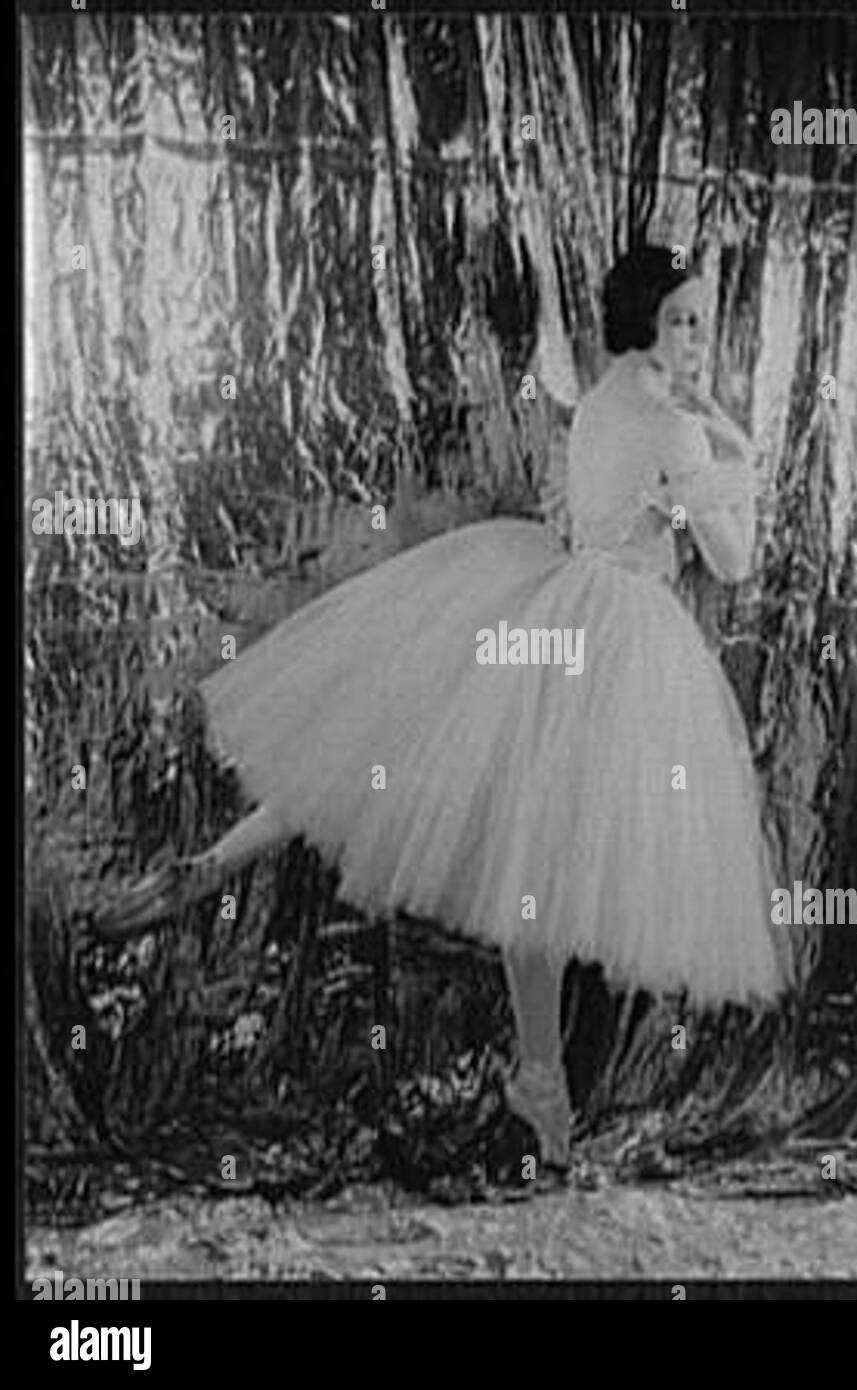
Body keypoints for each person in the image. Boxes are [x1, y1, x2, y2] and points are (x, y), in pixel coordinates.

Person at [95, 246, 792, 1170]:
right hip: (617, 630)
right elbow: (735, 563)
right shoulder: (673, 424)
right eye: (684, 321)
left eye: (703, 319)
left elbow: (587, 514)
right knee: (531, 853)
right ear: (645, 324)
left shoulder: (595, 406)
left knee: (410, 763)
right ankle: (540, 1083)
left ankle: (219, 862)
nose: (699, 338)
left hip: (552, 593)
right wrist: (735, 450)